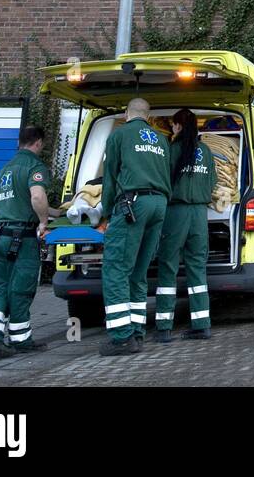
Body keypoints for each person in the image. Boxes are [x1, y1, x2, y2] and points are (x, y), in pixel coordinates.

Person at [0, 125, 62, 358]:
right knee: (22, 289)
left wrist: (58, 213)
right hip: (21, 237)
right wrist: (44, 222)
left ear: (19, 142)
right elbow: (37, 197)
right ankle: (8, 338)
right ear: (38, 142)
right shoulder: (34, 166)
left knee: (2, 287)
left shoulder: (6, 168)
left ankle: (3, 335)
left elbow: (22, 201)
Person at [99, 98, 171, 356]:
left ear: (126, 113)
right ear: (148, 116)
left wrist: (106, 214)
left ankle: (121, 337)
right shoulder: (161, 140)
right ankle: (137, 333)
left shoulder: (120, 135)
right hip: (159, 205)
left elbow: (110, 177)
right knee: (139, 272)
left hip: (132, 206)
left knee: (116, 269)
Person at [153, 109, 216, 342]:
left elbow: (162, 180)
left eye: (174, 125)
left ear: (178, 126)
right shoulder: (207, 152)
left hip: (176, 212)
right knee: (197, 268)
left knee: (168, 267)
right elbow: (212, 182)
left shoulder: (171, 150)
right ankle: (202, 325)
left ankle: (164, 327)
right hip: (199, 214)